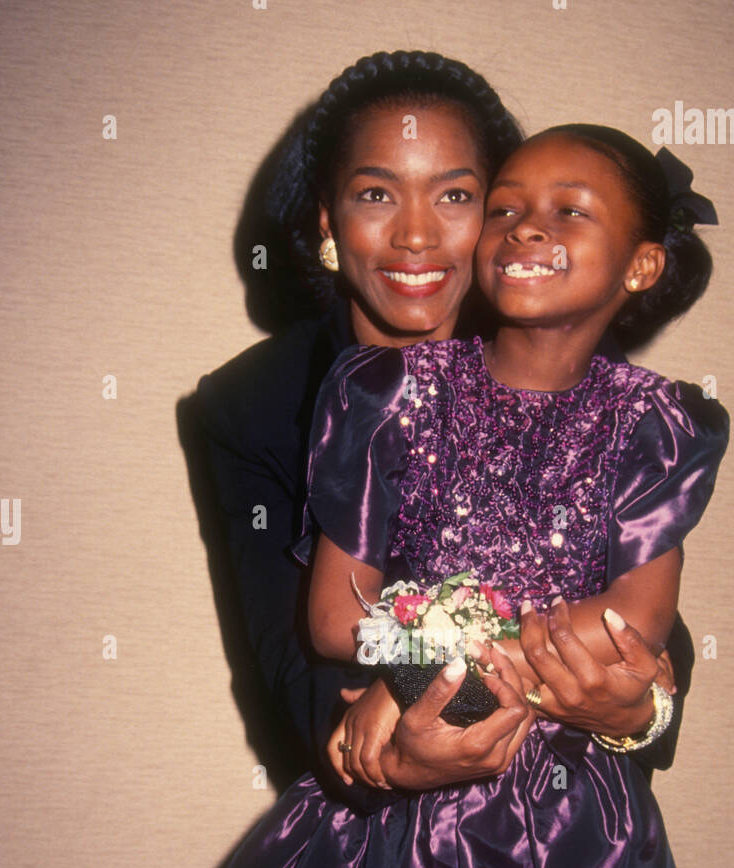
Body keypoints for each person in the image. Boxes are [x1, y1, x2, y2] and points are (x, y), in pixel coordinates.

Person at [160, 117, 733, 868]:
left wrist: (609, 690)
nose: (515, 229)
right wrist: (461, 650)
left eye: (542, 207)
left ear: (639, 264)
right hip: (415, 839)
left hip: (575, 840)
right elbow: (329, 622)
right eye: (511, 207)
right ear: (323, 222)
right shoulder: (376, 395)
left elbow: (637, 642)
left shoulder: (657, 419)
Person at [196, 50, 692, 821]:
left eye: (456, 195)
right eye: (374, 194)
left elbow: (647, 633)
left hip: (568, 822)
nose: (417, 236)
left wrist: (637, 716)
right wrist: (401, 740)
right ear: (328, 221)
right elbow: (297, 675)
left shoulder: (555, 355)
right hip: (378, 823)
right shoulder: (249, 406)